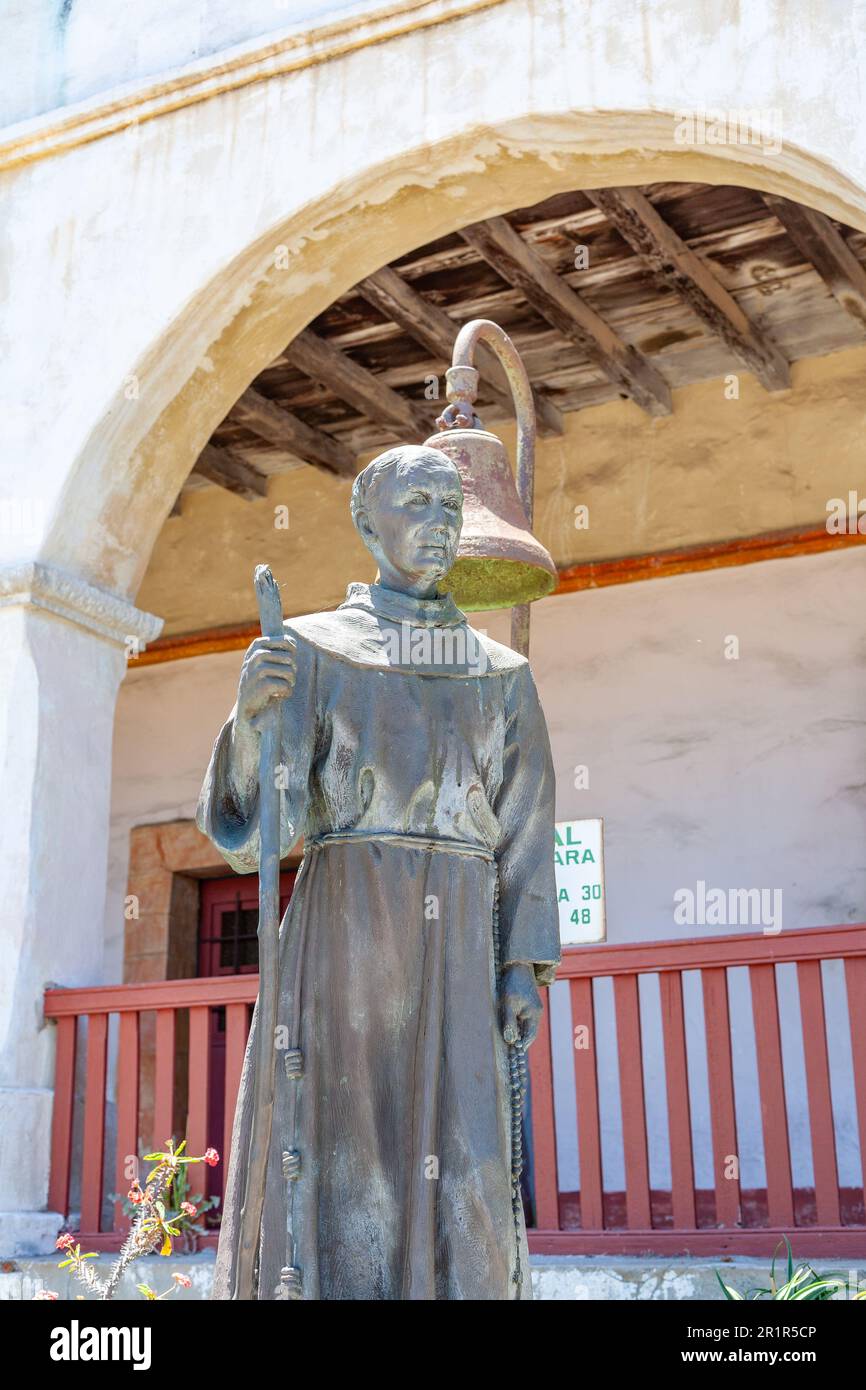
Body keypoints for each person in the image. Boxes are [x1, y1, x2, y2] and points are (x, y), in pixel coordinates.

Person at [198, 443, 559, 1300]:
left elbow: (528, 831)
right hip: (346, 936)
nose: (436, 523)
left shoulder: (503, 677)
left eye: (449, 507)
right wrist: (251, 722)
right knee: (342, 1141)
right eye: (415, 504)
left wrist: (520, 965)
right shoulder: (313, 651)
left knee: (466, 1149)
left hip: (465, 940)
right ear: (367, 520)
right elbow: (253, 841)